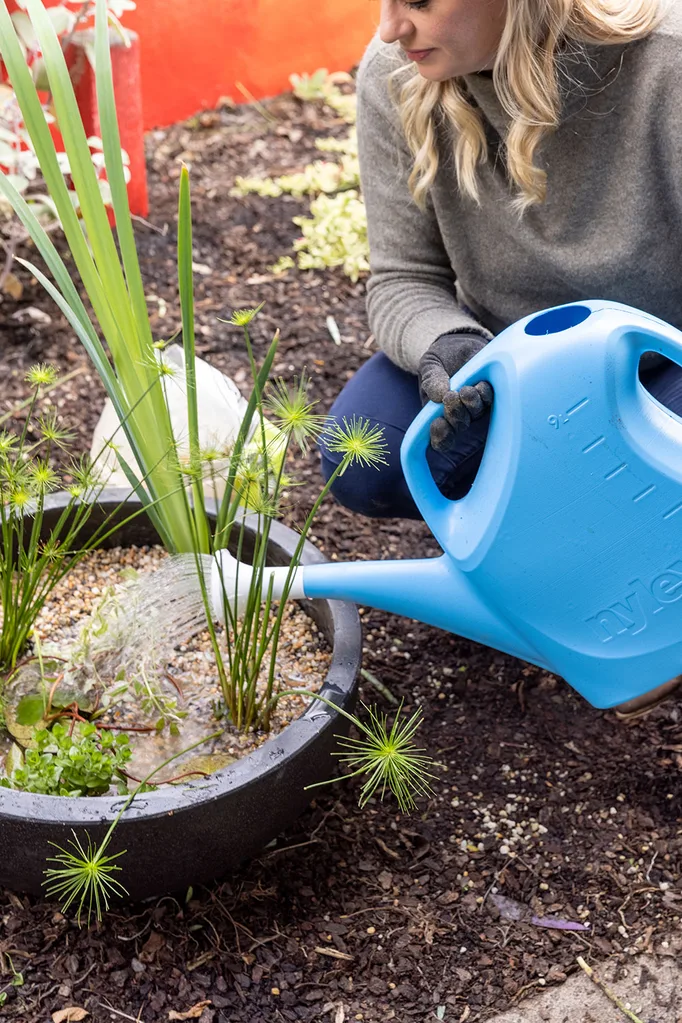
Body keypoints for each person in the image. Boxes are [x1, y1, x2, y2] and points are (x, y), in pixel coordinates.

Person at [319, 0, 682, 717]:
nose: (390, 29)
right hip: (503, 363)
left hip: (657, 364)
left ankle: (642, 597)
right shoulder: (396, 73)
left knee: (626, 480)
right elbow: (402, 279)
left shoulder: (665, 63)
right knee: (363, 454)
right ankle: (549, 573)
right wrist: (451, 350)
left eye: (418, 2)